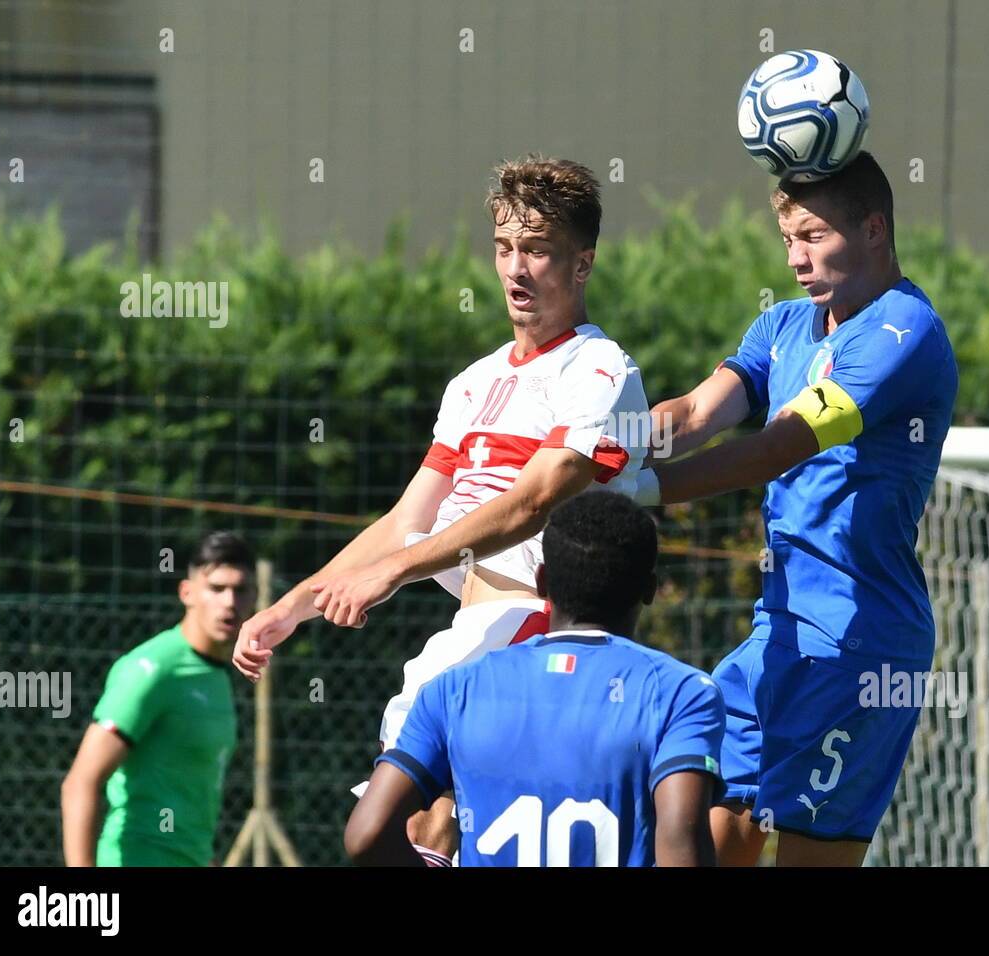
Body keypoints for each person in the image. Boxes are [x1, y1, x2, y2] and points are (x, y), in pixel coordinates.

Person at [232, 157, 650, 866]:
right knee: (432, 829)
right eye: (504, 247)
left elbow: (533, 502)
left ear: (583, 263)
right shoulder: (473, 383)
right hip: (477, 627)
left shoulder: (601, 371)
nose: (516, 268)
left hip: (537, 627)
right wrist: (296, 605)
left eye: (538, 249)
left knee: (406, 826)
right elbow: (406, 519)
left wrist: (391, 574)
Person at [644, 152, 959, 866]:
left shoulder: (903, 334)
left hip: (860, 648)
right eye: (788, 238)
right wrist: (611, 444)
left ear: (875, 229)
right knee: (707, 837)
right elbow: (693, 413)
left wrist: (645, 492)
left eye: (813, 236)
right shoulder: (783, 326)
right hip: (776, 635)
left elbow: (778, 445)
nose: (795, 258)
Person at [344, 491, 723, 867]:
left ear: (542, 582)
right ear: (650, 590)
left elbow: (367, 836)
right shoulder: (682, 692)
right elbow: (681, 844)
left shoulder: (452, 689)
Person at [61, 531, 257, 866]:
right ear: (187, 592)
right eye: (216, 588)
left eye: (241, 590)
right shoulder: (152, 668)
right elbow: (81, 782)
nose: (229, 602)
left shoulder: (217, 674)